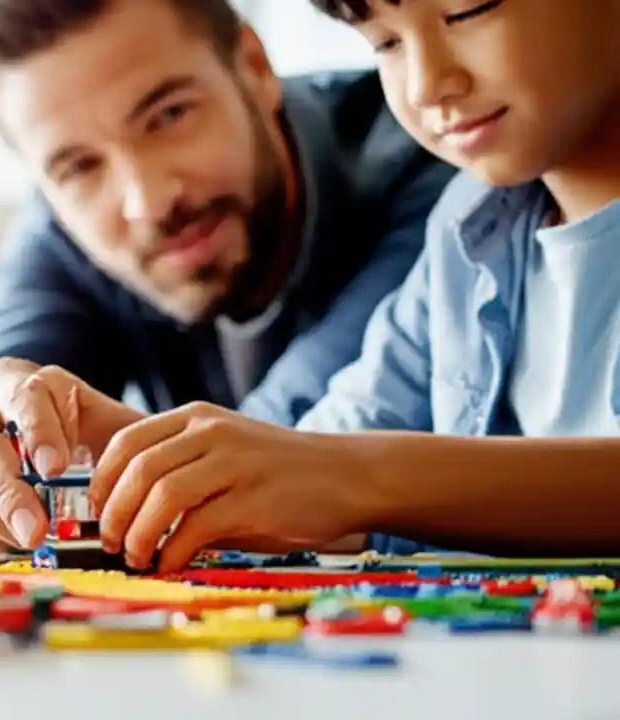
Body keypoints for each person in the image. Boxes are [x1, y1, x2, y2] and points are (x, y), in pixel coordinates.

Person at [76, 0, 620, 573]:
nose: (427, 84)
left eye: (465, 12)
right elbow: (309, 472)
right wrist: (127, 454)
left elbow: (344, 473)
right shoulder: (469, 229)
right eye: (386, 43)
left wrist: (353, 475)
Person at [0, 0, 456, 552]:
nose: (147, 202)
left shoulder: (435, 157)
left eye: (169, 115)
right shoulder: (63, 224)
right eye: (79, 167)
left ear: (254, 66)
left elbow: (286, 456)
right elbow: (2, 399)